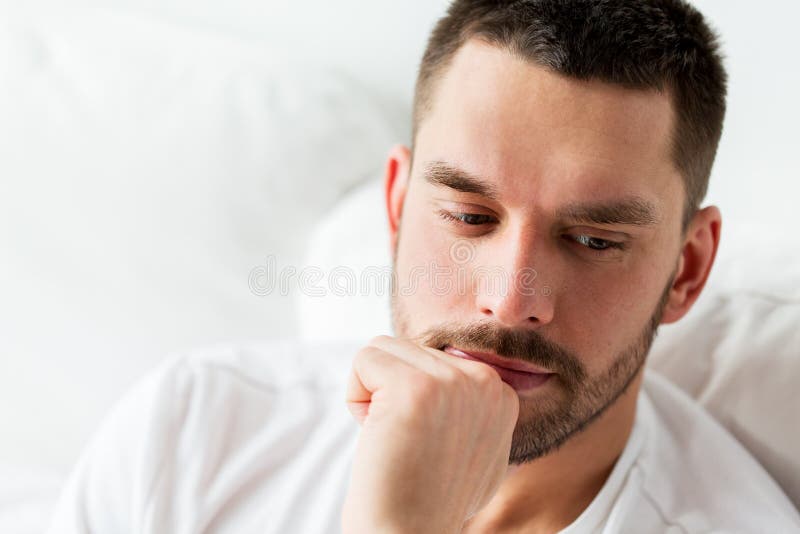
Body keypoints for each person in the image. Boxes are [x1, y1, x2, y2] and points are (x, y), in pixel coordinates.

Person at [48, 1, 800, 532]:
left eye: (594, 241)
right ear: (399, 206)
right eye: (470, 218)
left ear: (687, 270)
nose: (509, 301)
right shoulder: (195, 431)